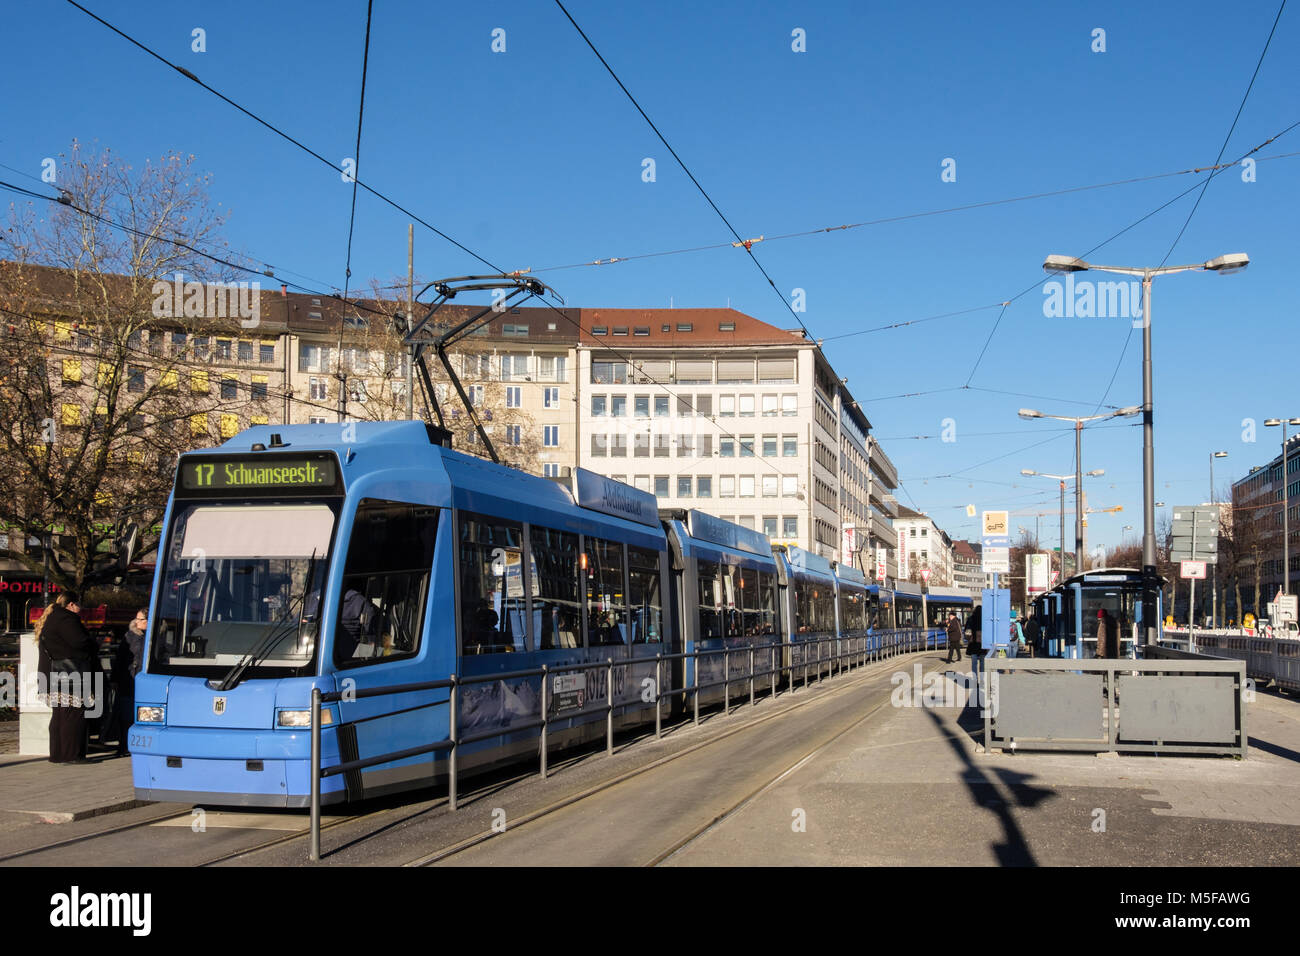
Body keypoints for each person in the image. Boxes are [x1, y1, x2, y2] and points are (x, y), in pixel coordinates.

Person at [37, 591, 100, 764]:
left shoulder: (52, 617)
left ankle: (57, 754)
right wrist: (94, 643)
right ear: (71, 604)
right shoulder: (67, 619)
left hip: (54, 673)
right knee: (73, 714)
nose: (82, 608)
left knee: (59, 715)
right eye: (80, 604)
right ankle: (72, 755)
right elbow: (80, 642)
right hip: (71, 674)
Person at [109, 608, 147, 757]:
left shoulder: (156, 637)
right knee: (126, 715)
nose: (136, 622)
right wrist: (115, 679)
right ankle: (123, 745)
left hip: (146, 682)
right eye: (136, 619)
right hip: (129, 680)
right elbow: (119, 660)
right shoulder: (130, 636)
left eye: (141, 619)